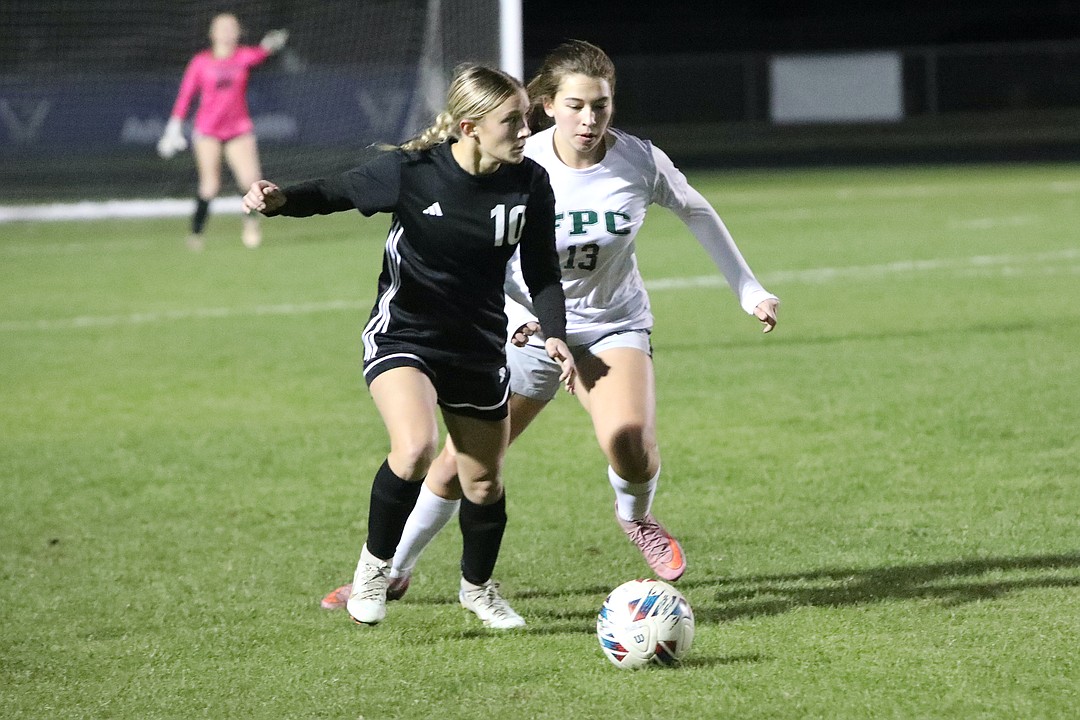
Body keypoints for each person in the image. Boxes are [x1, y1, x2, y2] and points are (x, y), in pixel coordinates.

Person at [320, 40, 779, 611]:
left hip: (611, 323)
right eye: (576, 105)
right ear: (547, 105)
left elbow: (698, 210)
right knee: (461, 466)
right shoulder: (518, 162)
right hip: (526, 329)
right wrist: (519, 318)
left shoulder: (639, 160)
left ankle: (636, 518)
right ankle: (393, 570)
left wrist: (749, 290)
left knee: (630, 441)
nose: (589, 119)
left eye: (601, 106)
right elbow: (479, 256)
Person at [242, 64, 576, 629]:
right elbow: (336, 191)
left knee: (483, 480)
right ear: (470, 127)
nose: (526, 130)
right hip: (405, 333)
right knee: (417, 446)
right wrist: (279, 201)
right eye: (511, 120)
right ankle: (374, 574)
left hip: (477, 343)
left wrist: (555, 334)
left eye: (525, 118)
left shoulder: (530, 183)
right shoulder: (413, 171)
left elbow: (542, 269)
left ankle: (478, 591)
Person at [158, 13, 288, 251]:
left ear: (238, 33)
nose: (227, 32)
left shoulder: (243, 56)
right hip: (208, 130)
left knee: (250, 181)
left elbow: (260, 53)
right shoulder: (200, 62)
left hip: (239, 129)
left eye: (232, 28)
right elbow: (186, 95)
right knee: (209, 186)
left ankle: (251, 224)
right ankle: (196, 233)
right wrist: (173, 128)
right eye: (222, 28)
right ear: (212, 33)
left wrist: (270, 45)